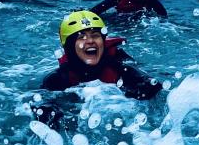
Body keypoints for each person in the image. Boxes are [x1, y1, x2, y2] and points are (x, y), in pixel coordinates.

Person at [34, 10, 162, 126]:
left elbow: (151, 87)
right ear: (69, 46)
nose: (90, 41)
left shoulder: (121, 69)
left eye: (95, 35)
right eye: (81, 37)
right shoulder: (57, 79)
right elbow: (41, 105)